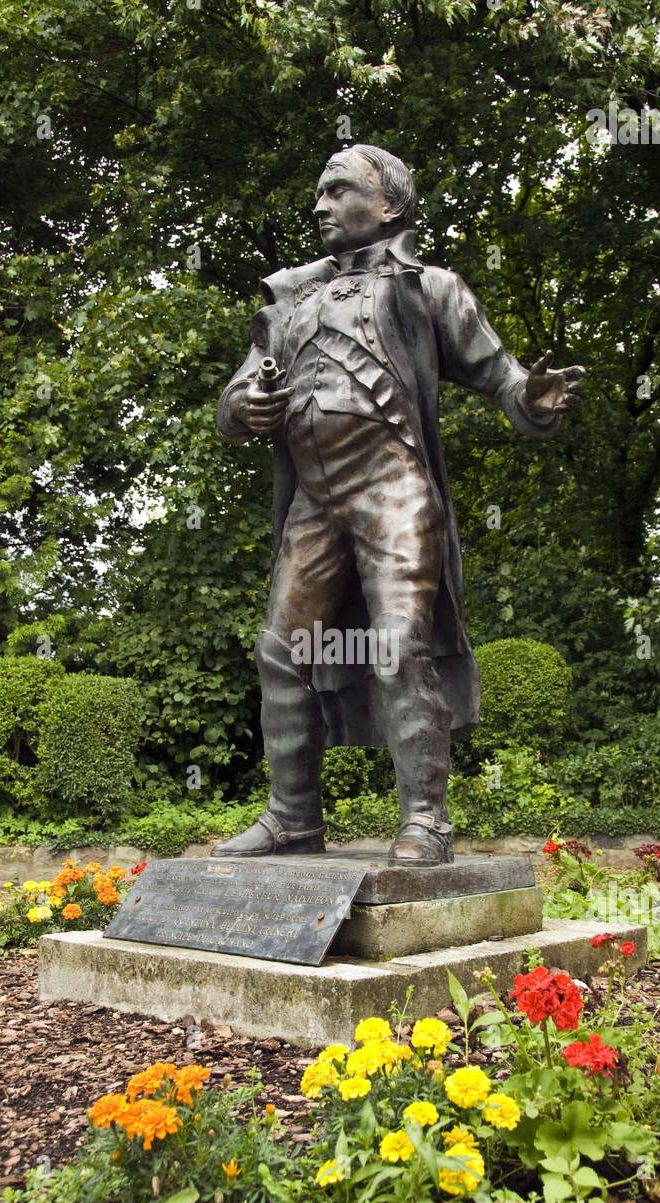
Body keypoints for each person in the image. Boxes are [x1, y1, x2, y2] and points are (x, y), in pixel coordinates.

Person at [214, 145, 584, 866]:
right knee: (280, 651)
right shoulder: (289, 299)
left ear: (388, 205)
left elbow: (503, 376)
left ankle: (426, 821)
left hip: (395, 491)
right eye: (317, 193)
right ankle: (292, 819)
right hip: (314, 502)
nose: (320, 204)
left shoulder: (429, 288)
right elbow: (232, 402)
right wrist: (244, 404)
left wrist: (533, 399)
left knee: (397, 646)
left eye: (338, 189)